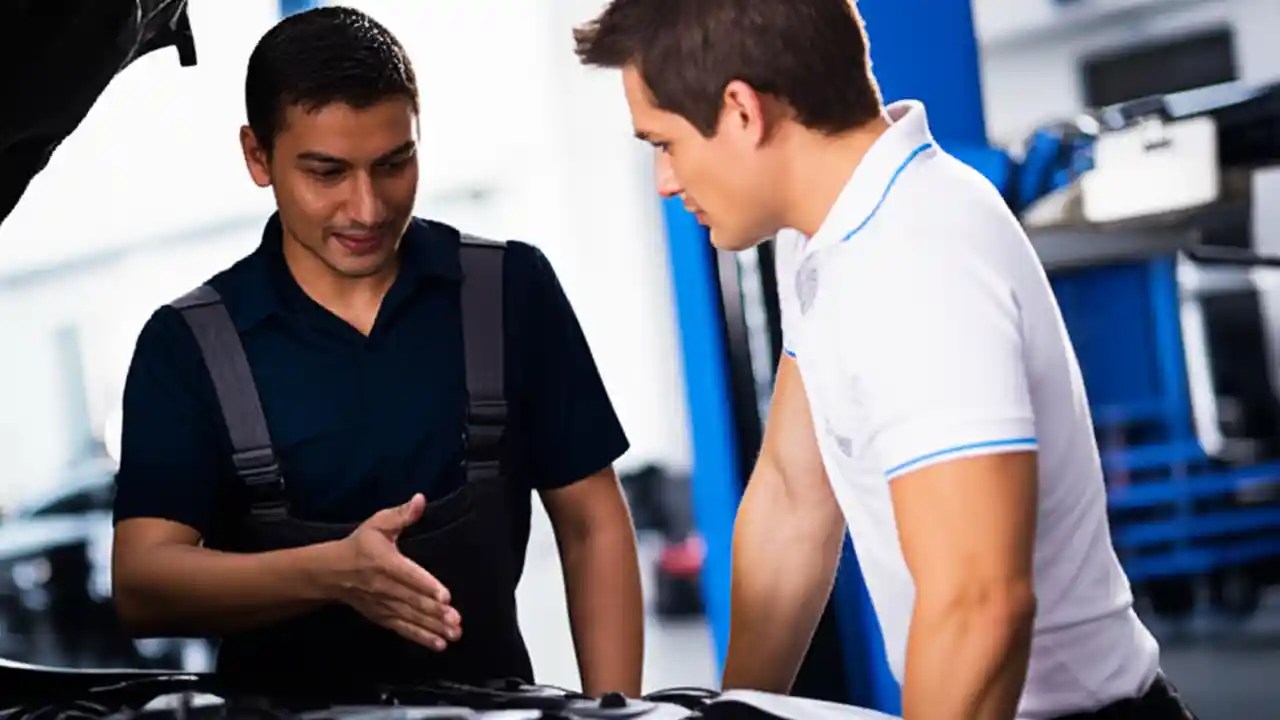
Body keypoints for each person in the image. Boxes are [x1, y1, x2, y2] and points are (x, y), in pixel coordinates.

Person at [573, 2, 1198, 719]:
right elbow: (792, 498)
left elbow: (981, 604)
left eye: (664, 143)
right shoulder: (828, 236)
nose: (665, 180)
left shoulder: (916, 250)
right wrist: (738, 711)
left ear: (742, 111)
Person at [110, 6, 643, 698]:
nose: (366, 208)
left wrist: (618, 714)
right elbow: (145, 584)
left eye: (394, 164)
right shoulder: (187, 346)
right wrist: (333, 572)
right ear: (257, 156)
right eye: (326, 173)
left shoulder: (509, 290)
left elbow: (592, 526)